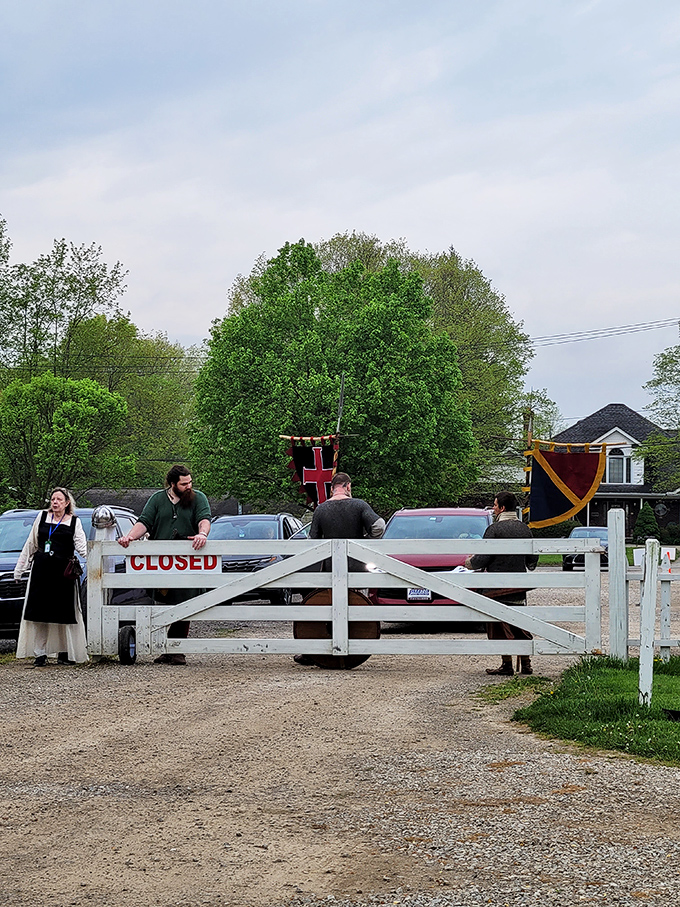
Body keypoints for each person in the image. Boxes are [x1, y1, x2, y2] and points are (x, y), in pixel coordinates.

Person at [117, 465, 211, 665]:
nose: (188, 486)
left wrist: (202, 534)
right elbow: (144, 522)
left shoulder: (198, 498)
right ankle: (167, 649)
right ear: (172, 484)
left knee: (185, 600)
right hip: (162, 560)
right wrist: (129, 537)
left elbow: (204, 519)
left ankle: (177, 650)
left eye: (190, 482)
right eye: (184, 483)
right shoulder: (158, 499)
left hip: (188, 559)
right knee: (163, 600)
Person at [294, 472, 385, 666]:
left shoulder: (321, 509)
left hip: (329, 569)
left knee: (325, 608)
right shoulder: (360, 505)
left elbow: (312, 542)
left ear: (332, 488)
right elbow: (379, 526)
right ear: (348, 486)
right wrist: (364, 544)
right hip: (356, 568)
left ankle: (314, 651)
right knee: (357, 608)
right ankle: (354, 651)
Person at [465, 491, 538, 676]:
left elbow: (482, 559)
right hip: (519, 586)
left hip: (496, 587)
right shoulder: (525, 529)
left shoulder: (494, 530)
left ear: (502, 508)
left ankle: (507, 664)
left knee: (498, 623)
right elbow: (532, 561)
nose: (493, 508)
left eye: (495, 505)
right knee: (520, 622)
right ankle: (526, 663)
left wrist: (468, 562)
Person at [15, 487, 88, 666]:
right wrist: (20, 569)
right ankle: (40, 653)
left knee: (63, 613)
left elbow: (82, 546)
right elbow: (31, 544)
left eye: (59, 500)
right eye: (53, 499)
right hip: (42, 572)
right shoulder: (41, 517)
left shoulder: (74, 522)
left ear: (67, 503)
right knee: (40, 613)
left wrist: (94, 562)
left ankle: (64, 652)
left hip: (63, 574)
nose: (55, 502)